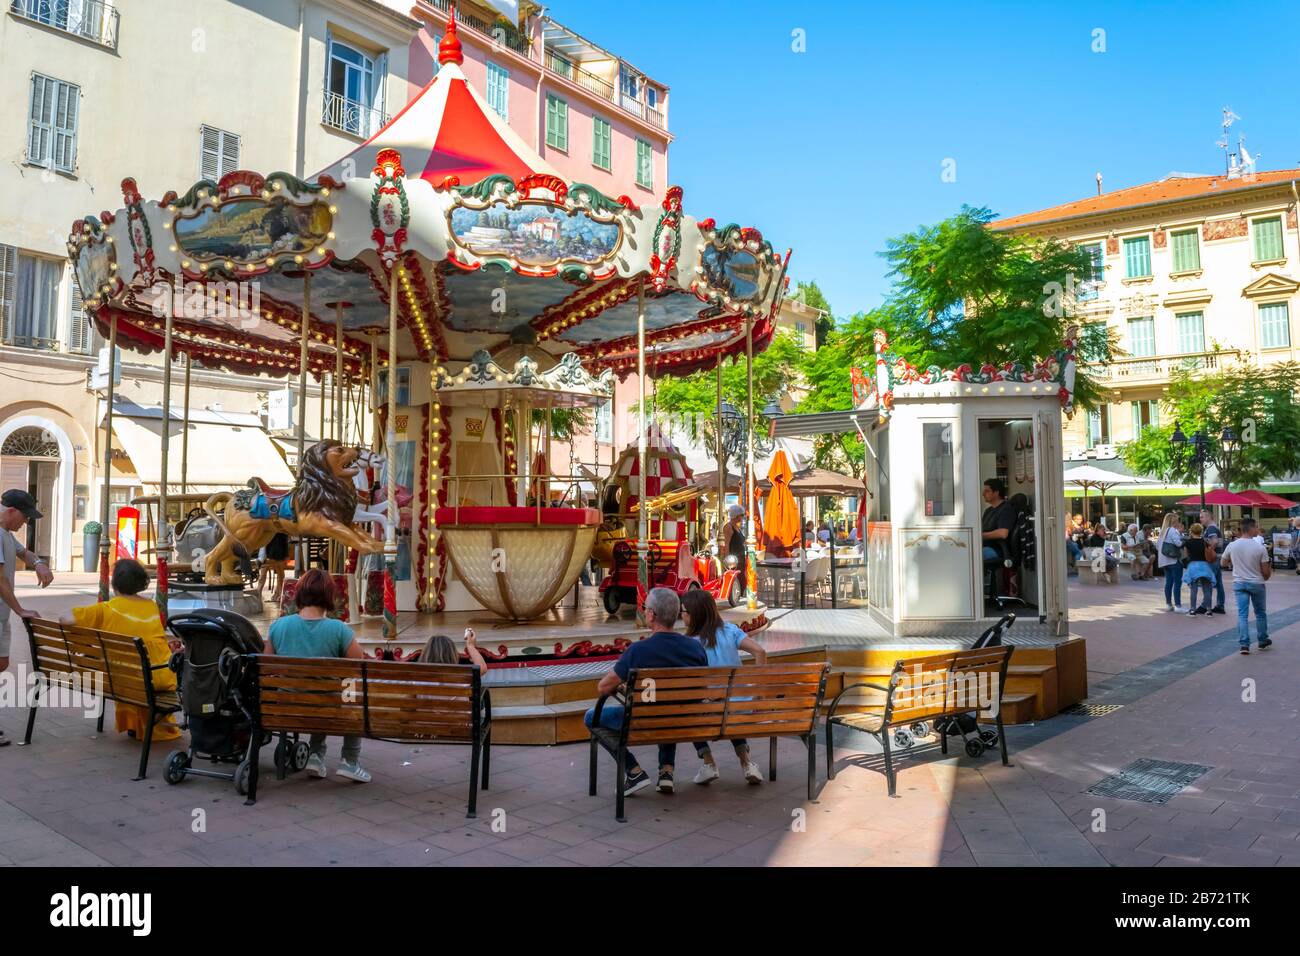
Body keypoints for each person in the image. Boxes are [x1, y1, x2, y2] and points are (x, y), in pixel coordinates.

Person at [585, 587, 706, 795]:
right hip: (684, 720)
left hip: (644, 719)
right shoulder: (695, 648)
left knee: (590, 717)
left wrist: (624, 686)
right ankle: (666, 772)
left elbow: (603, 687)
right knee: (668, 707)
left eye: (645, 608)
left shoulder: (638, 650)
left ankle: (633, 771)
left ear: (651, 614)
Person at [264, 569, 370, 782]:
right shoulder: (338, 630)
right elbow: (359, 666)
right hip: (327, 708)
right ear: (330, 596)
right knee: (352, 695)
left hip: (286, 707)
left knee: (316, 692)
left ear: (300, 594)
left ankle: (315, 756)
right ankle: (349, 761)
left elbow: (267, 666)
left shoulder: (278, 626)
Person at [60, 558, 180, 742]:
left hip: (124, 679)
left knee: (125, 668)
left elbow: (65, 618)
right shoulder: (152, 607)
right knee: (138, 669)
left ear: (115, 584)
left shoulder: (106, 609)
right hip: (161, 677)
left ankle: (134, 724)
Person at [678, 588, 766, 786]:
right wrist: (757, 691)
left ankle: (709, 762)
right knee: (729, 705)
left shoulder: (689, 643)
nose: (681, 616)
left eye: (683, 612)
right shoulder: (731, 630)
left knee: (687, 708)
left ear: (694, 615)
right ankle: (746, 763)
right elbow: (760, 652)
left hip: (710, 712)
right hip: (740, 709)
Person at [0, 490, 54, 747]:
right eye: (24, 517)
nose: (26, 523)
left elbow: (24, 554)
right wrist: (21, 610)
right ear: (11, 511)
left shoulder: (7, 535)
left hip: (1, 615)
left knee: (2, 663)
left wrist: (40, 563)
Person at [1221, 518, 1272, 654]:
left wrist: (1235, 563)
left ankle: (1244, 644)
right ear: (1250, 528)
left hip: (1239, 583)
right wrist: (1264, 577)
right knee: (1260, 613)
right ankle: (1262, 640)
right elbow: (1266, 572)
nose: (1257, 530)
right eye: (1256, 527)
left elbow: (1223, 563)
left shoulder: (1232, 545)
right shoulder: (1260, 548)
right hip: (1257, 583)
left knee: (1242, 614)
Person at [415, 627, 490, 672]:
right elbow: (482, 668)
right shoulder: (461, 675)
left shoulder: (416, 678)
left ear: (426, 654)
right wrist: (470, 645)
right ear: (452, 654)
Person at [1181, 523, 1215, 615]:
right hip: (1204, 566)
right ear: (1201, 532)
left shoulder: (1188, 542)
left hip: (1193, 566)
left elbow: (1186, 555)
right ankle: (1209, 610)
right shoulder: (1205, 542)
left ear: (1191, 531)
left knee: (1193, 589)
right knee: (1206, 588)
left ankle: (1192, 609)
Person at [980, 478, 1017, 564]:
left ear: (996, 493)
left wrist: (981, 536)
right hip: (985, 546)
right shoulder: (988, 510)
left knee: (967, 556)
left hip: (995, 549)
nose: (983, 494)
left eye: (987, 491)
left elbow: (1003, 533)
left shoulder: (1006, 510)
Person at [1199, 510, 1226, 614]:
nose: (1200, 519)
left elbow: (1214, 541)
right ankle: (1220, 605)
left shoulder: (1211, 528)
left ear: (1208, 517)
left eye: (1202, 517)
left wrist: (1208, 551)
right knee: (1219, 583)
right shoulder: (1214, 527)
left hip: (1212, 560)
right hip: (1217, 558)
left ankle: (1204, 605)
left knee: (1207, 582)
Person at [1155, 512, 1184, 611]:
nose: (1178, 523)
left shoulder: (1162, 531)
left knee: (1168, 582)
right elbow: (1179, 543)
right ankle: (1178, 606)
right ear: (1173, 521)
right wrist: (1182, 537)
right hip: (1173, 560)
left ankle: (1168, 604)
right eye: (1177, 521)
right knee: (1177, 583)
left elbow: (1157, 546)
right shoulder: (1172, 530)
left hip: (1164, 561)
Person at [726, 504, 748, 594]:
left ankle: (740, 595)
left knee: (742, 580)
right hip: (734, 560)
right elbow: (726, 544)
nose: (742, 517)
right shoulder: (728, 527)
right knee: (737, 581)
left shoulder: (736, 526)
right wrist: (727, 561)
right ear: (736, 515)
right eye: (741, 515)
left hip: (741, 559)